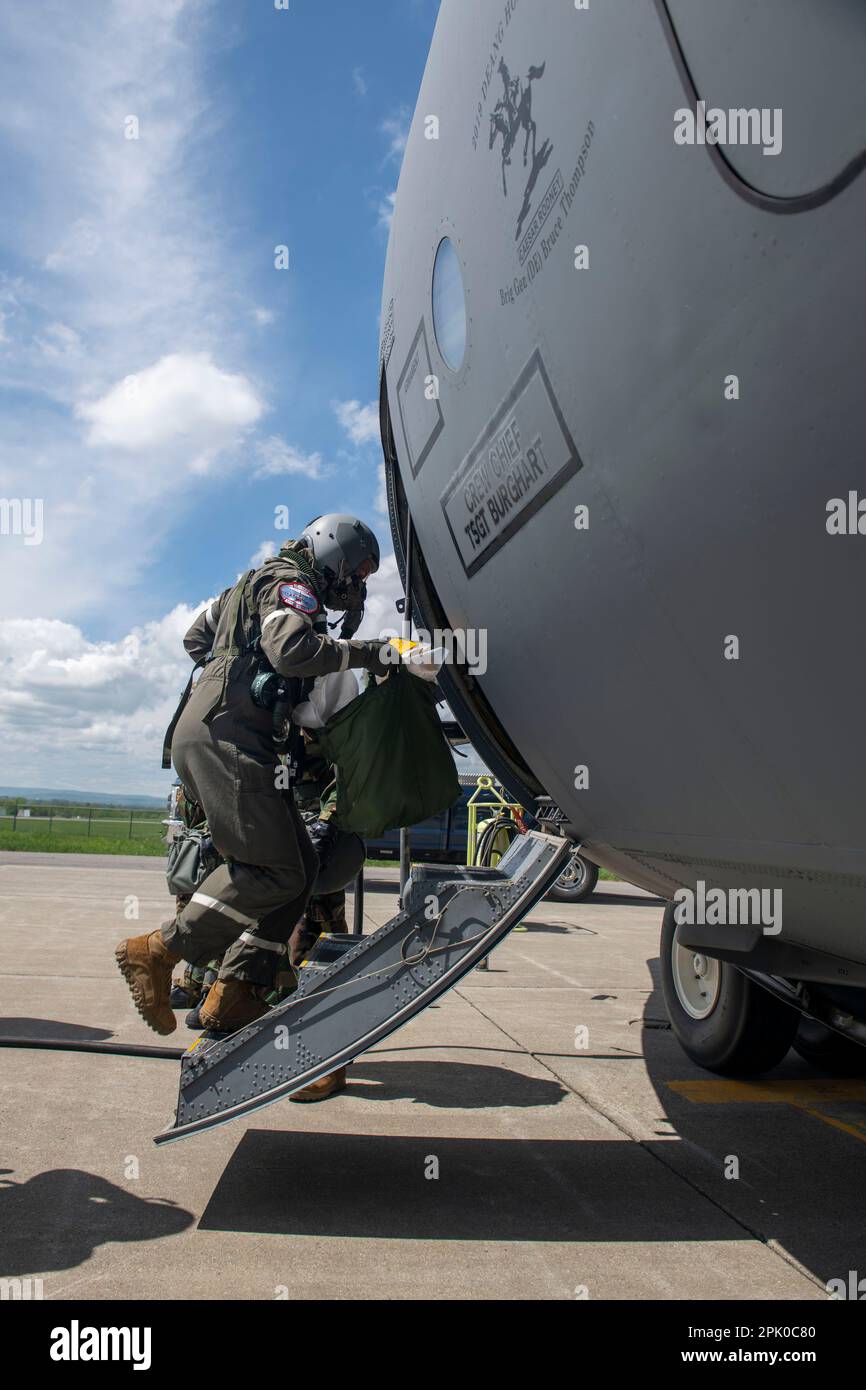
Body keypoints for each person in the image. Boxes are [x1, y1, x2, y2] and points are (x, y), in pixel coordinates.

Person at [116, 514, 388, 1037]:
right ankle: (157, 951)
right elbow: (291, 651)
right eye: (356, 572)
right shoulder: (292, 586)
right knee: (272, 870)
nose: (357, 585)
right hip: (231, 736)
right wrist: (368, 654)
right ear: (332, 555)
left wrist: (238, 671)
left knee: (300, 868)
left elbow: (196, 639)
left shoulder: (245, 586)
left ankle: (237, 991)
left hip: (217, 730)